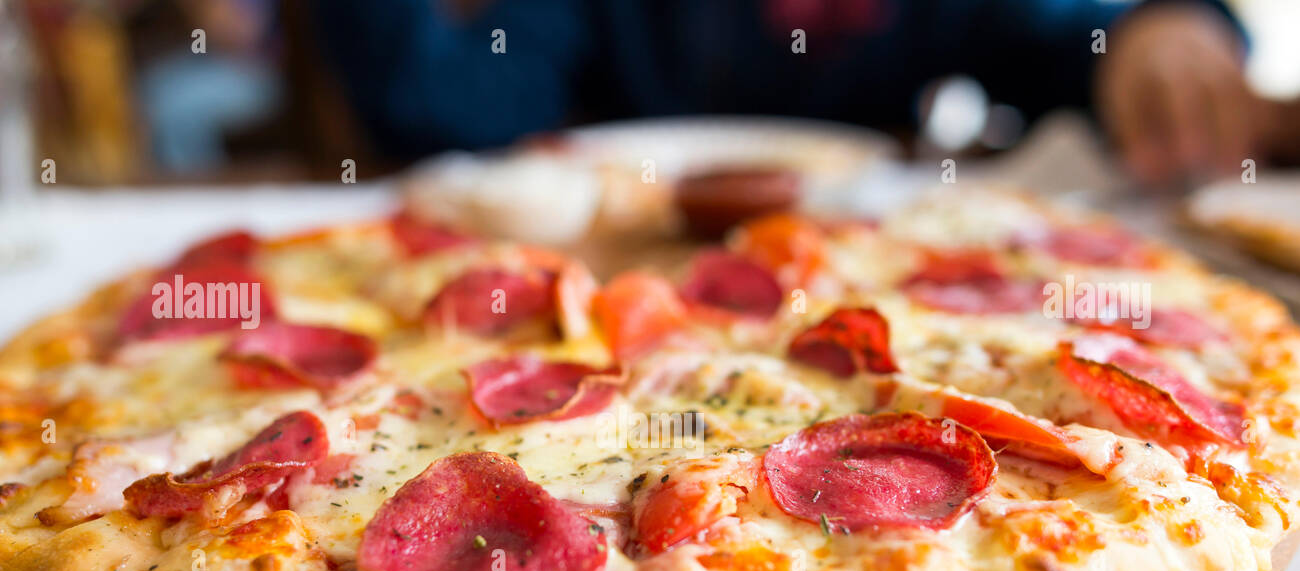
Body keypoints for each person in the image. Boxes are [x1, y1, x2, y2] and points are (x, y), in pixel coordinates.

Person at [311, 0, 1263, 184]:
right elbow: (454, 106)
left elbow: (1064, 41)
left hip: (891, 280)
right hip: (634, 284)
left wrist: (1163, 24)